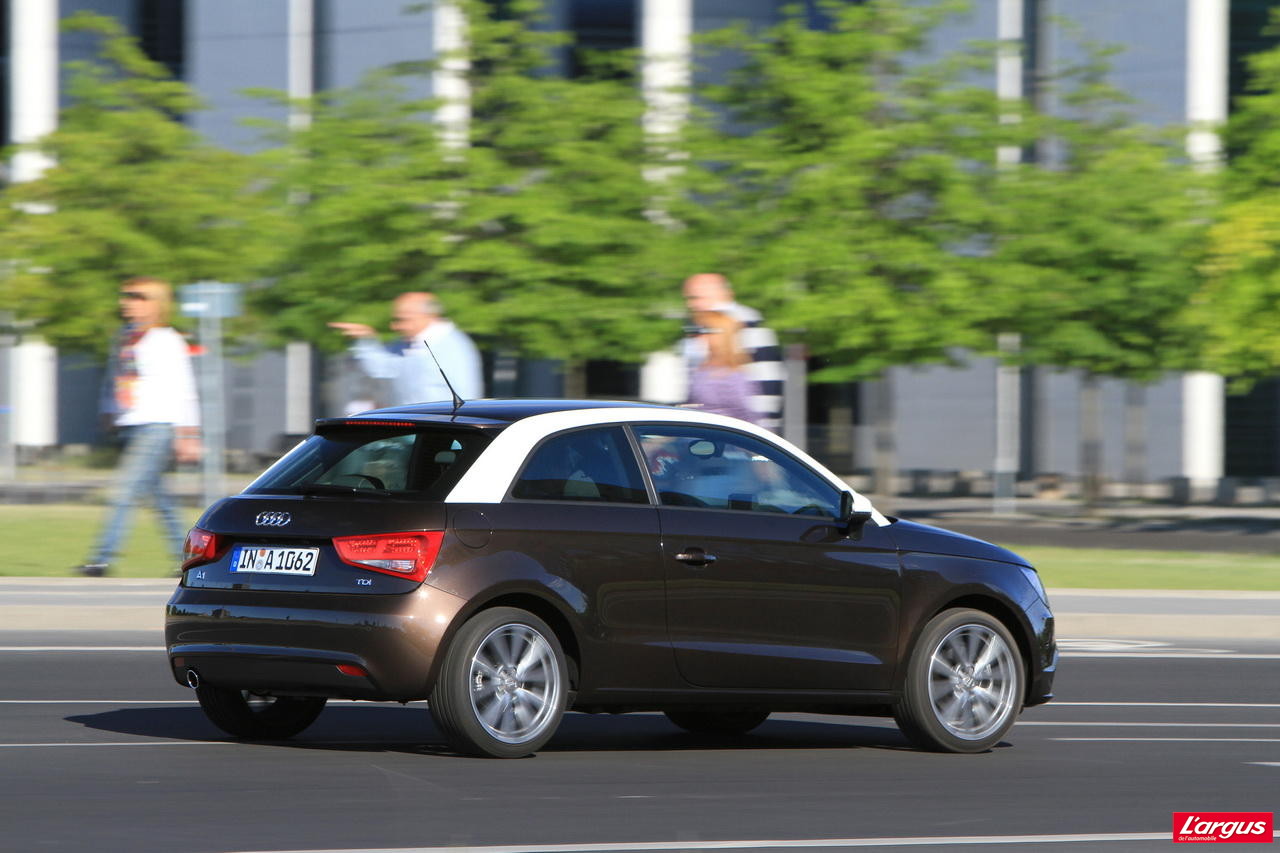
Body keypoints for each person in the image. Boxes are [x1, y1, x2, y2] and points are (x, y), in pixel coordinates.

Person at [79, 277, 201, 577]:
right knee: (161, 500)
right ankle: (187, 559)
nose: (128, 301)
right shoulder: (125, 337)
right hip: (131, 426)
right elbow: (115, 377)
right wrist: (108, 411)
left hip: (157, 426)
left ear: (156, 303)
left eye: (138, 296)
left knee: (124, 492)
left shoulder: (167, 339)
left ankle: (101, 558)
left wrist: (188, 433)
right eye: (126, 295)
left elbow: (184, 388)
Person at [328, 292, 483, 406]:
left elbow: (465, 397)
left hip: (443, 431)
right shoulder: (407, 344)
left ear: (427, 316)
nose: (395, 326)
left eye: (402, 319)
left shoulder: (453, 346)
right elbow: (382, 368)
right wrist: (365, 339)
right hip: (412, 428)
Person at [681, 273, 784, 430]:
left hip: (740, 435)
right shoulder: (700, 326)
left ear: (721, 294)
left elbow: (767, 383)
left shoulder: (747, 325)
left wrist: (764, 436)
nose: (691, 304)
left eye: (696, 297)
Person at [686, 309, 758, 423]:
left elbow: (750, 417)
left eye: (704, 331)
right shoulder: (701, 371)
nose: (696, 337)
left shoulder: (735, 376)